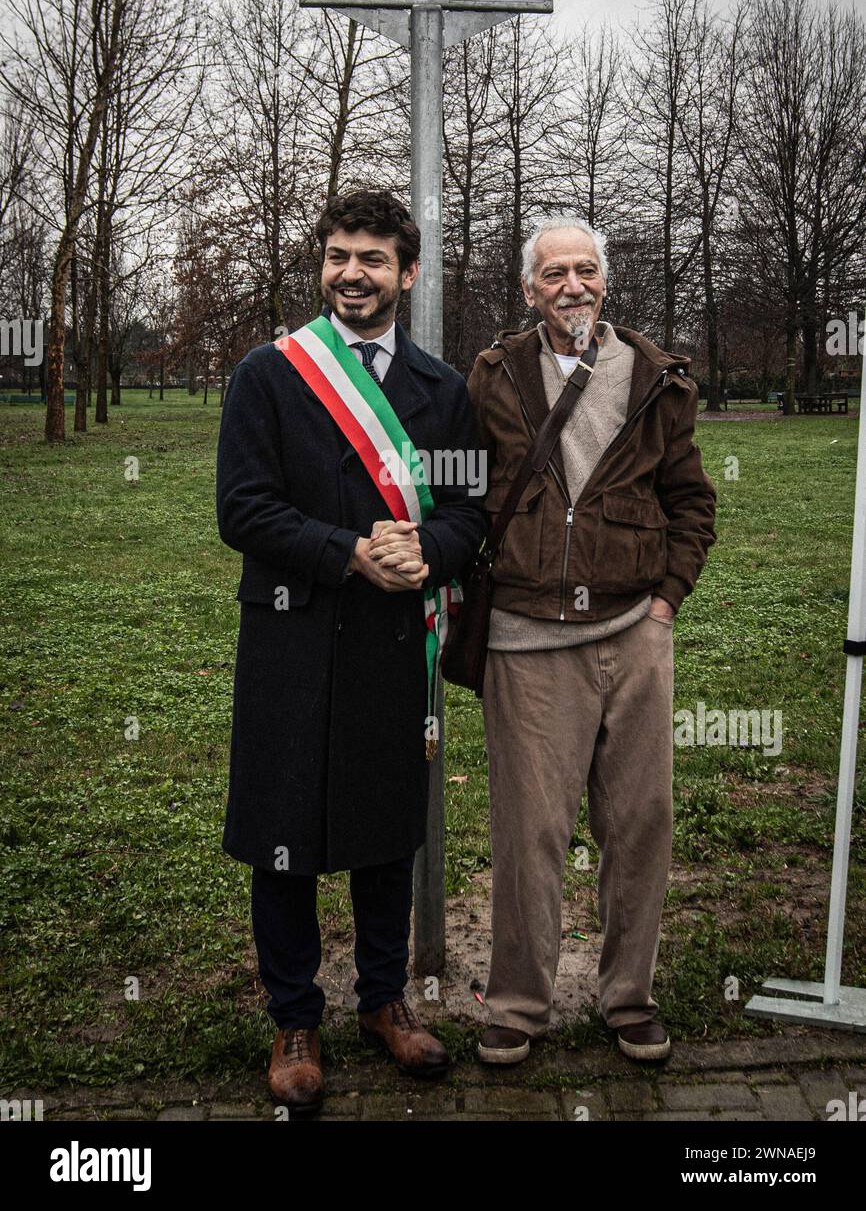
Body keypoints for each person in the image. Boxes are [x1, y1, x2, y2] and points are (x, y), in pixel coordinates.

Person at [216, 189, 486, 1112]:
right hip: (292, 634)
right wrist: (347, 553)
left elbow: (470, 515)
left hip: (389, 642)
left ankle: (384, 1000)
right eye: (338, 256)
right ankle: (295, 1018)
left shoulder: (443, 392)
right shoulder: (269, 374)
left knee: (384, 828)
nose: (352, 273)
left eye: (372, 258)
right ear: (322, 265)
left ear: (407, 274)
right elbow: (242, 509)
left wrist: (430, 550)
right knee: (283, 832)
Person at [467, 217, 717, 1065]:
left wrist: (665, 603)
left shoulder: (656, 376)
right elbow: (463, 489)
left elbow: (692, 503)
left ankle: (629, 997)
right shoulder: (495, 374)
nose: (570, 285)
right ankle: (516, 1004)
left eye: (584, 271)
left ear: (604, 282)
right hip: (526, 638)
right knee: (530, 831)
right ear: (529, 290)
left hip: (633, 628)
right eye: (552, 274)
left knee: (639, 821)